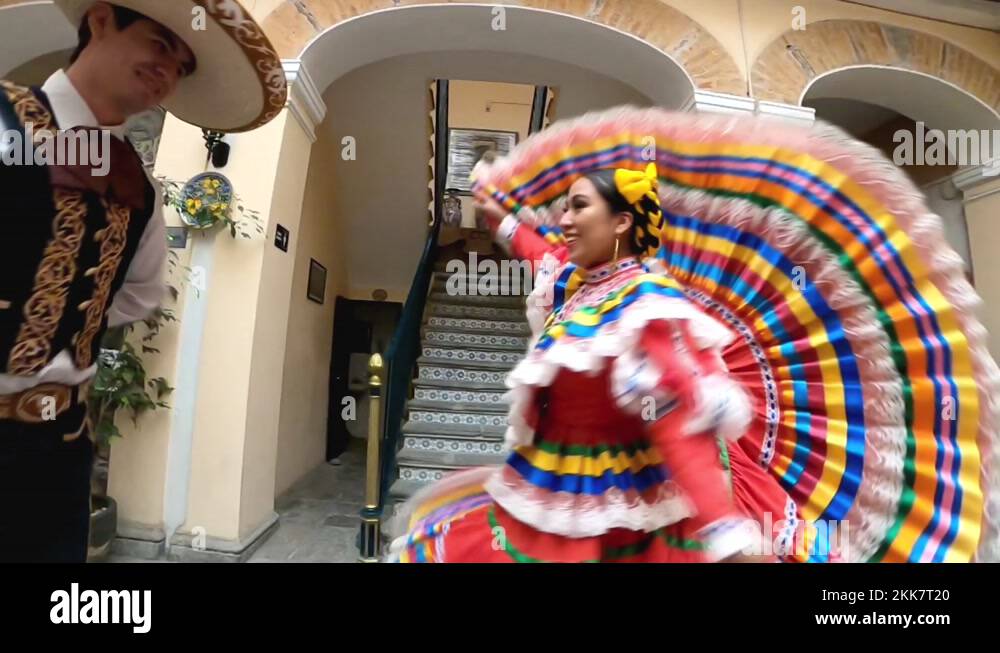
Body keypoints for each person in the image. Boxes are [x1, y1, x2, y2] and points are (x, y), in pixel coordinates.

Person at [389, 164, 797, 562]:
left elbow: (680, 426)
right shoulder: (577, 285)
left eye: (579, 207)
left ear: (621, 222)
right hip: (548, 484)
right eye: (565, 208)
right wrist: (500, 216)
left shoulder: (645, 304)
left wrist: (726, 537)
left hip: (615, 509)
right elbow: (539, 253)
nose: (565, 219)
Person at [0, 0, 286, 563]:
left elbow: (139, 294)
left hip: (61, 443)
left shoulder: (140, 186)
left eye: (181, 66)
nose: (168, 70)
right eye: (159, 44)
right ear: (101, 20)